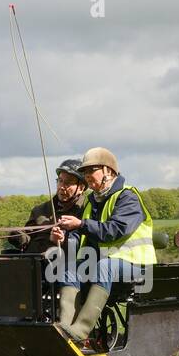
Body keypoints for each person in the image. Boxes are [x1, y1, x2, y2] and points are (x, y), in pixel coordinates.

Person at [50, 147, 156, 345]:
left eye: (92, 171)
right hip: (103, 262)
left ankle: (81, 330)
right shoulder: (92, 201)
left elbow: (115, 231)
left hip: (136, 264)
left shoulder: (128, 197)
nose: (87, 176)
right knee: (69, 269)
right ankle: (64, 328)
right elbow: (86, 237)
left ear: (109, 171)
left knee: (104, 266)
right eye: (85, 172)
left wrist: (80, 224)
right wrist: (64, 238)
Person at [5, 158, 86, 254]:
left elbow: (87, 244)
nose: (61, 187)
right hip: (34, 262)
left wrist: (62, 240)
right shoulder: (40, 210)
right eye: (60, 181)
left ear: (81, 188)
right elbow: (29, 236)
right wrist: (20, 237)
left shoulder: (86, 209)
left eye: (67, 183)